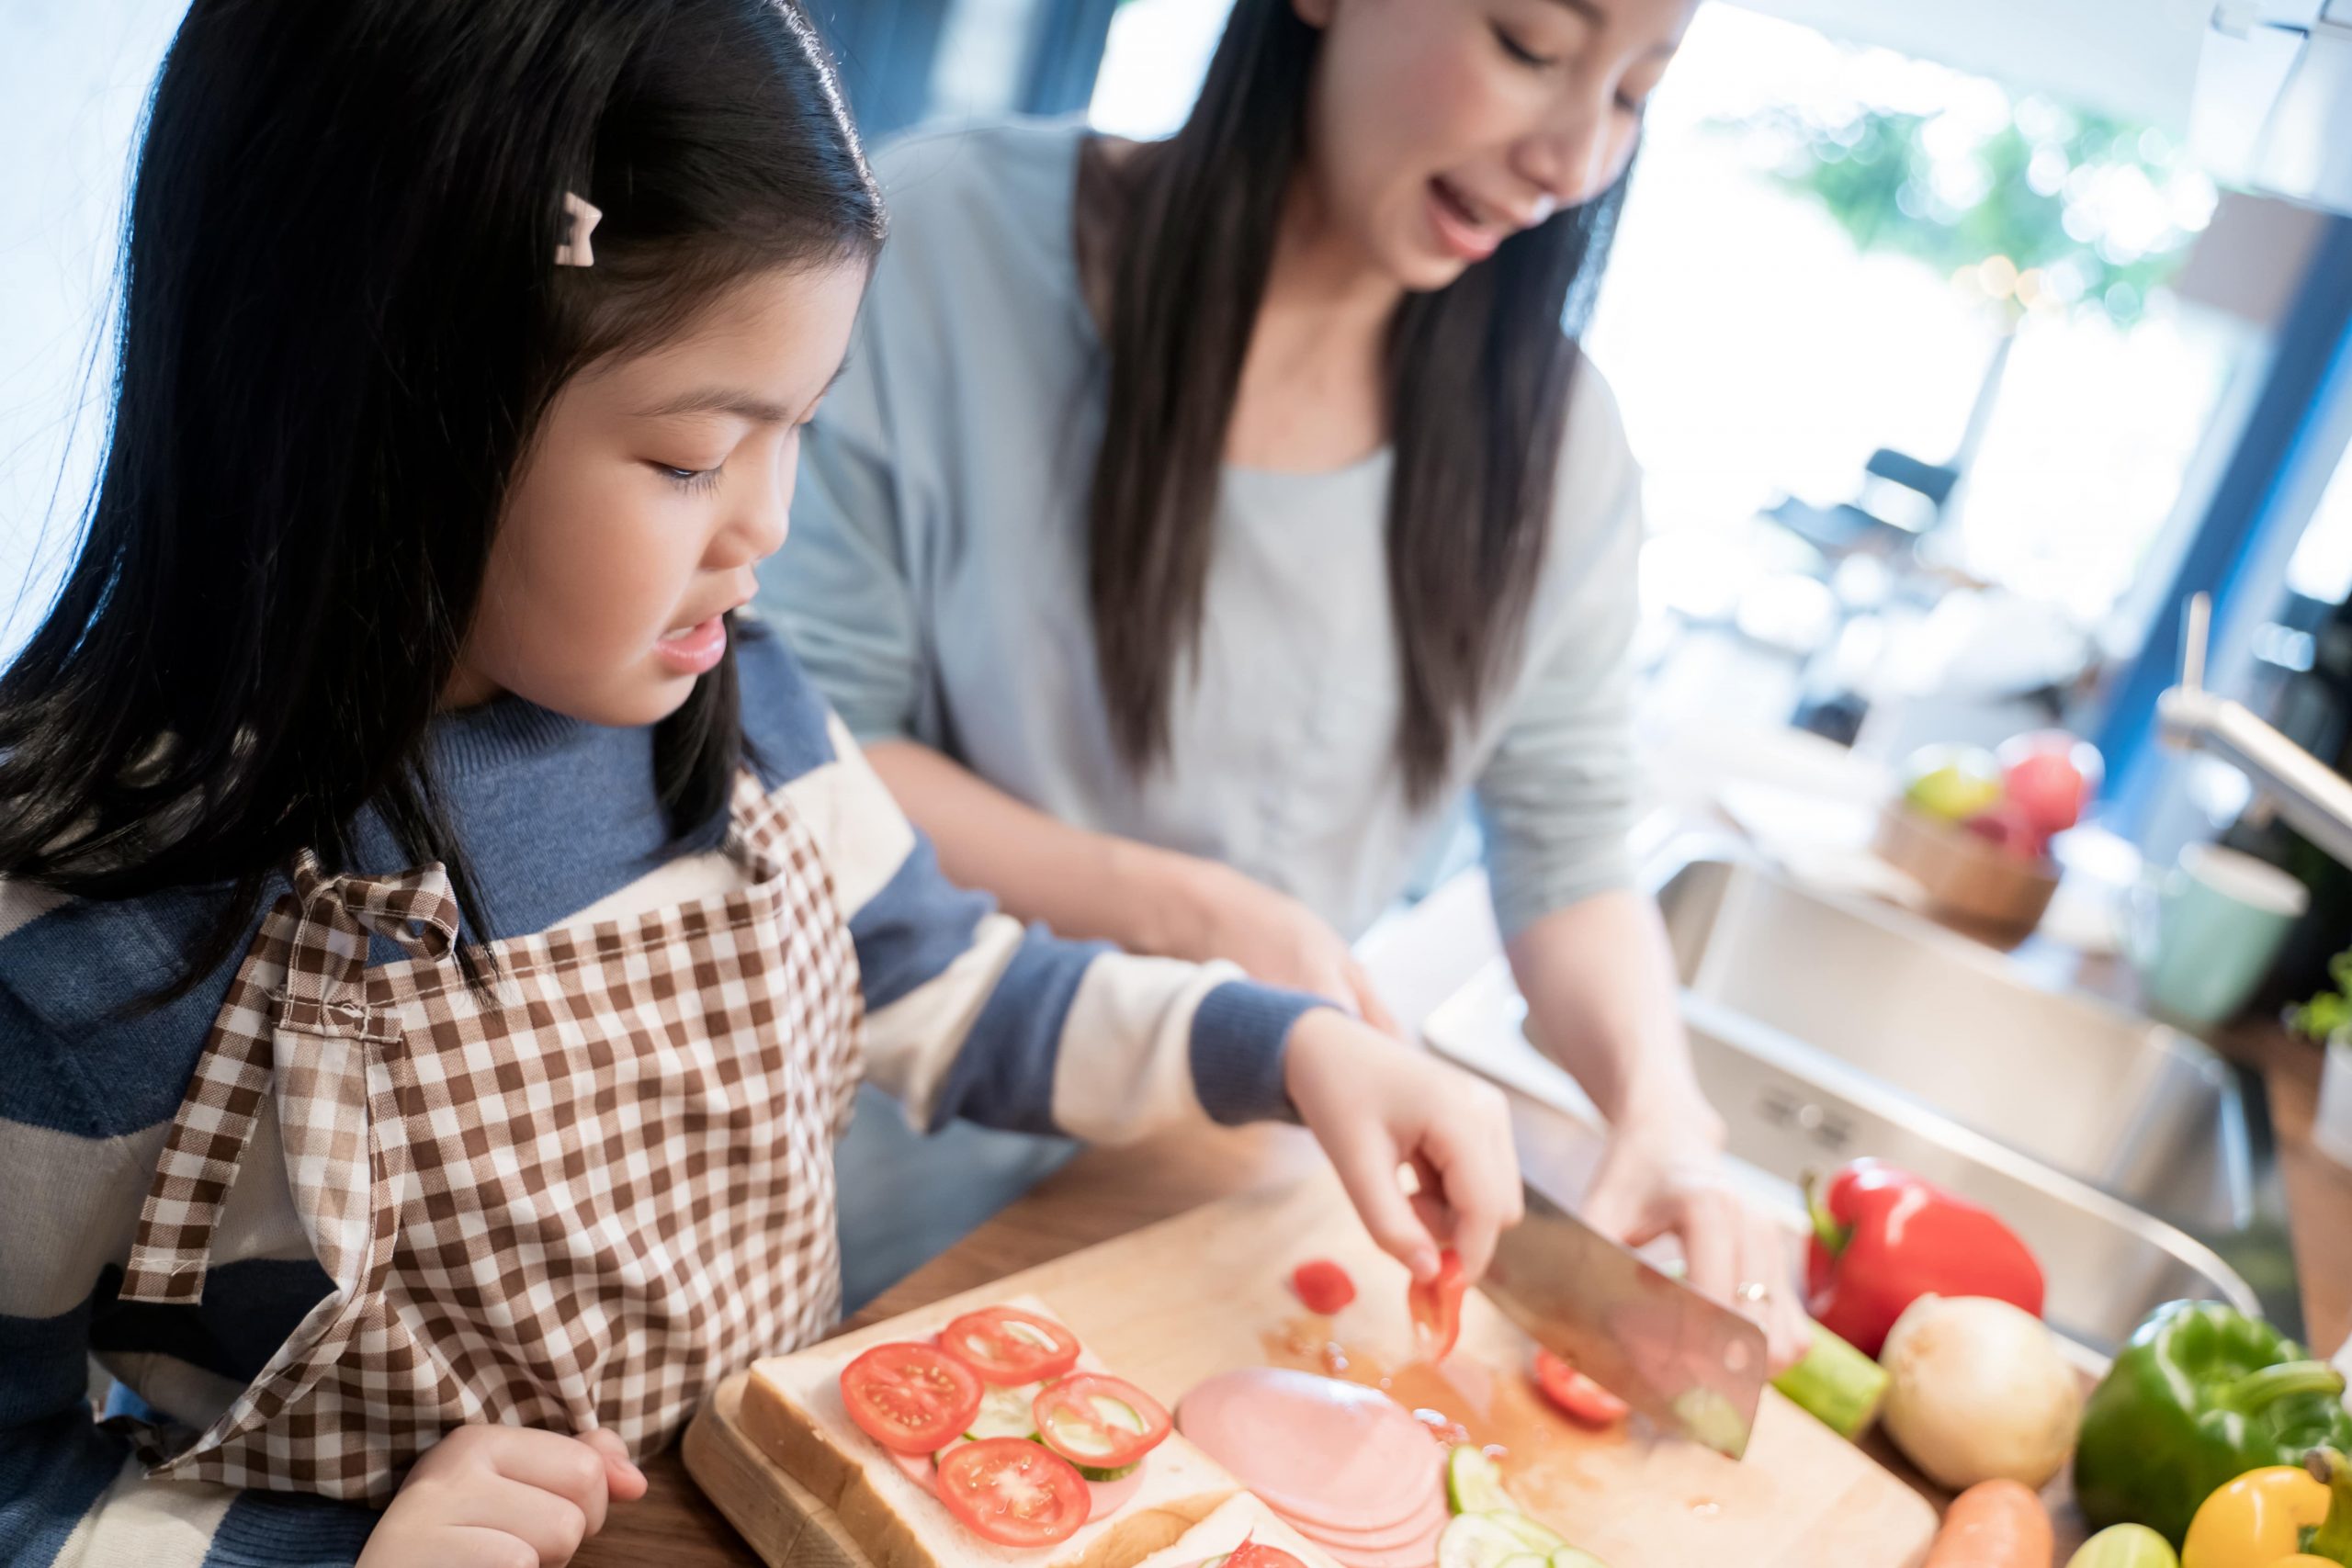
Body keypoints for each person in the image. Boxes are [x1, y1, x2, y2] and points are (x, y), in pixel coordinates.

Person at [0, 3, 1522, 1563]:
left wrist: (1296, 1052)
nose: (767, 524)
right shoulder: (92, 928)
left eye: (798, 426)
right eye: (689, 461)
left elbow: (959, 996)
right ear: (383, 399)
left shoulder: (738, 705)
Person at [765, 0, 1811, 1366]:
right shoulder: (941, 247)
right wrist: (1190, 913)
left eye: (1632, 95)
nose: (1572, 160)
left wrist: (1664, 1115)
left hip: (1208, 1215)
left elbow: (1568, 847)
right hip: (847, 1177)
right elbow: (796, 738)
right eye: (1531, 48)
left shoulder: (1558, 451)